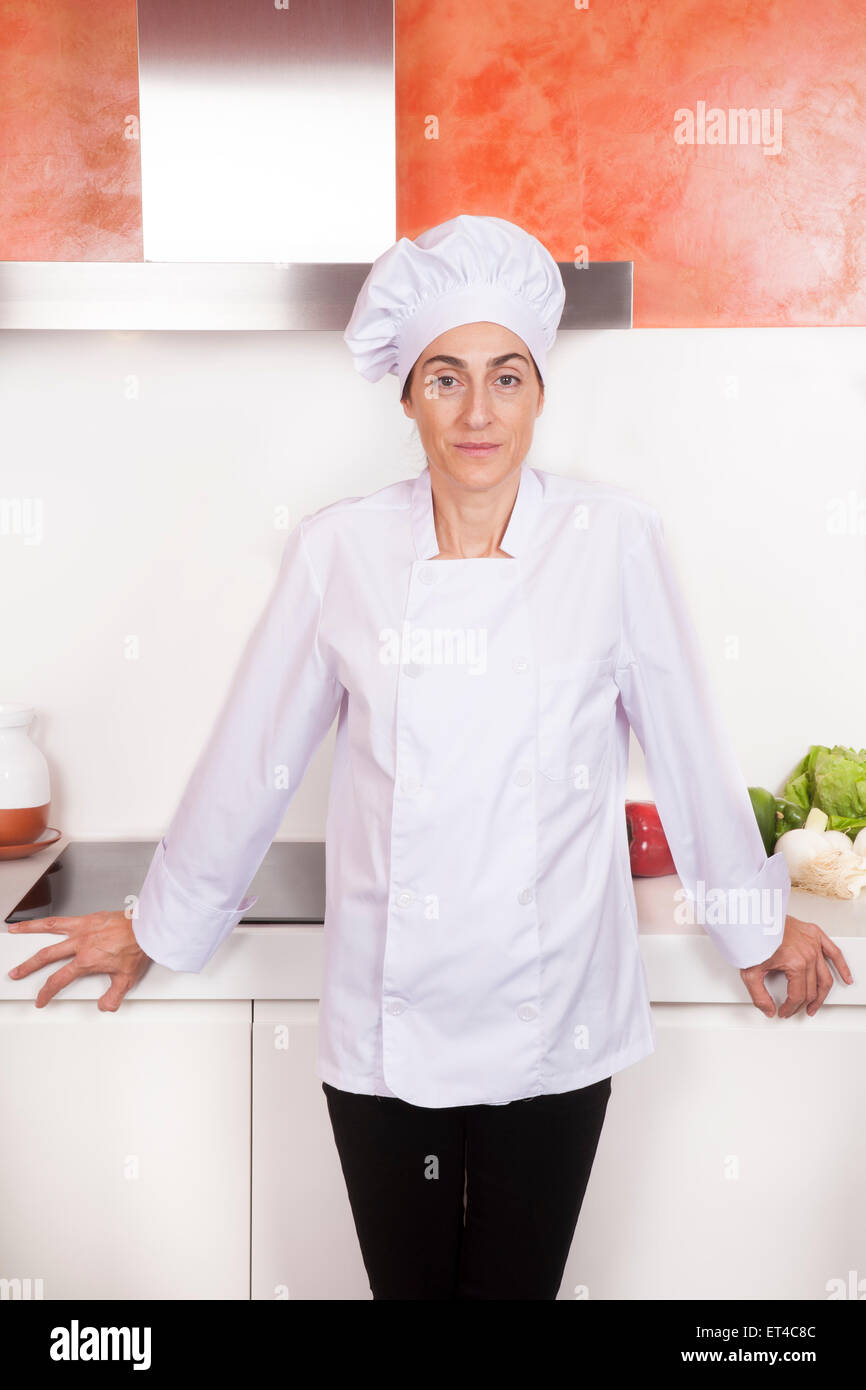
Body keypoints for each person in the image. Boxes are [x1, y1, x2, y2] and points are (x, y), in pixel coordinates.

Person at [8, 215, 852, 1301]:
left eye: (505, 377)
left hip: (554, 1026)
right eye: (444, 378)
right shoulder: (339, 551)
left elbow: (686, 747)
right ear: (406, 394)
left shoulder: (613, 544)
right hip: (383, 1025)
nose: (476, 412)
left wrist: (748, 918)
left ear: (540, 389)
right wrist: (155, 925)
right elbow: (252, 758)